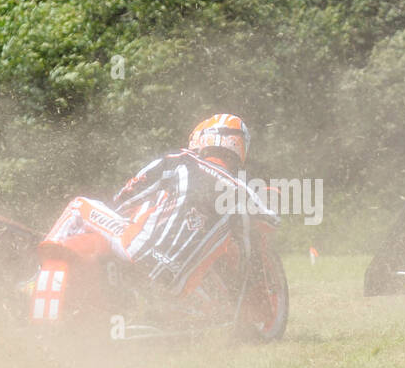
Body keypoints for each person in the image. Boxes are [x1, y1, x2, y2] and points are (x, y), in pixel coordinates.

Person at [45, 113, 271, 293]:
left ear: (203, 138)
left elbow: (131, 193)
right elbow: (270, 221)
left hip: (138, 250)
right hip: (176, 281)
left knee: (78, 205)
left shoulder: (182, 161)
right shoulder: (243, 192)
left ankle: (40, 276)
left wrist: (118, 212)